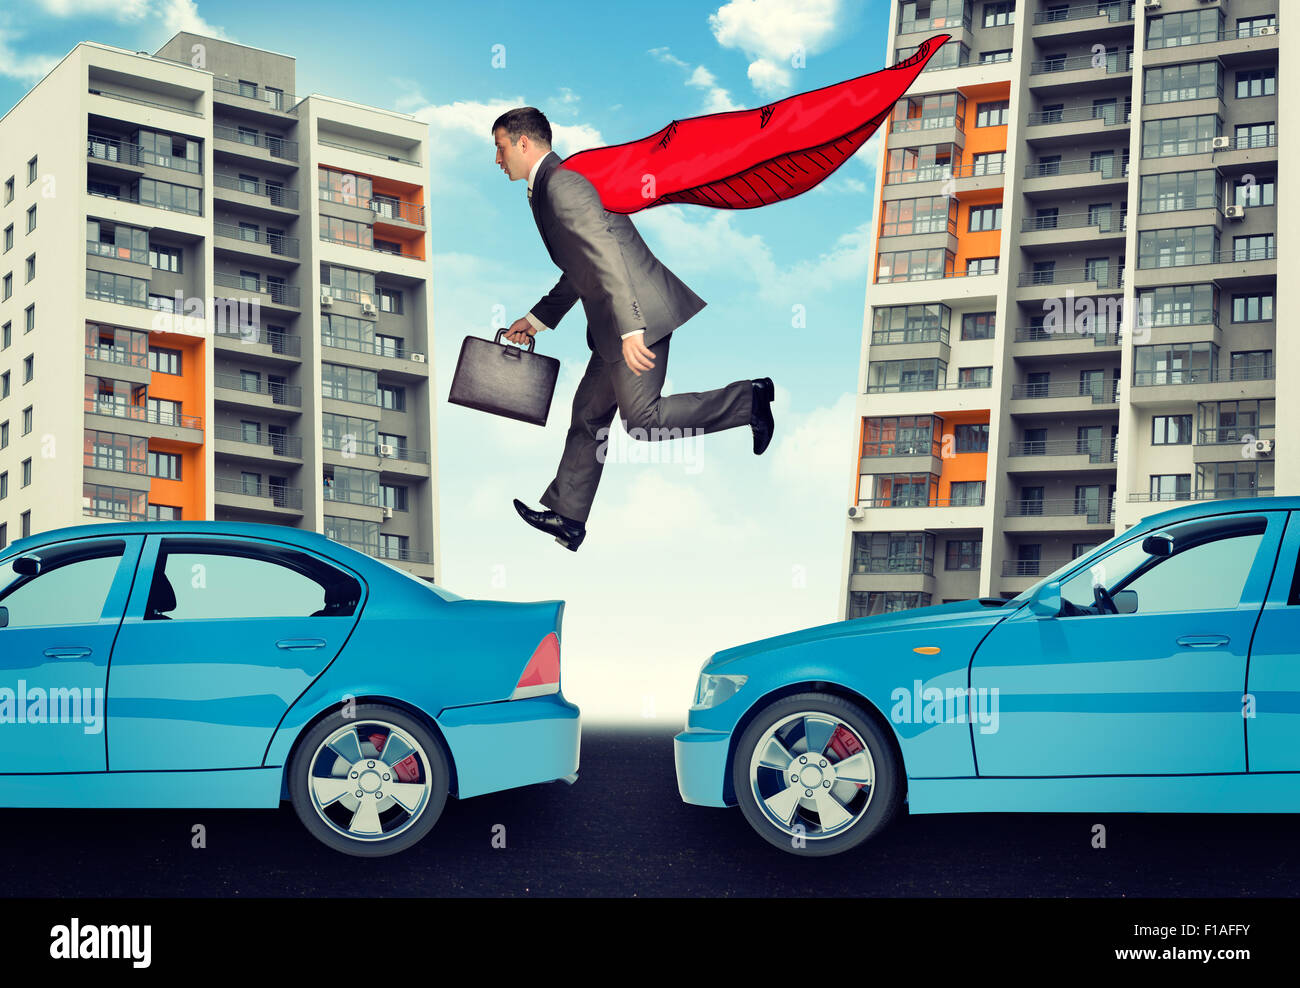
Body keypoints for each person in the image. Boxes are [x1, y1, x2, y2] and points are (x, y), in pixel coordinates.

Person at [492, 107, 775, 552]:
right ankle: (569, 518)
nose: (497, 158)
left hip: (639, 318)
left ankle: (750, 400)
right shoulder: (547, 188)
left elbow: (606, 253)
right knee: (588, 415)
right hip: (614, 326)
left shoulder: (562, 185)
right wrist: (538, 319)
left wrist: (632, 328)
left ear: (523, 143)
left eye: (500, 147)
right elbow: (579, 266)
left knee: (643, 422)